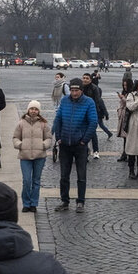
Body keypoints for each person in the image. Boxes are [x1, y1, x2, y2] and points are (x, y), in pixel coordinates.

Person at [51, 78, 97, 212]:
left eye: (76, 90)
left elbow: (93, 122)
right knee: (64, 176)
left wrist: (84, 140)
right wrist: (58, 137)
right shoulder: (65, 100)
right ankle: (64, 201)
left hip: (80, 145)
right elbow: (58, 118)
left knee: (81, 175)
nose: (74, 93)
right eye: (72, 90)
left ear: (81, 91)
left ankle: (80, 202)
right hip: (65, 144)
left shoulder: (89, 102)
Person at [12, 100, 52, 212]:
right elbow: (15, 137)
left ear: (39, 111)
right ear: (28, 110)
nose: (33, 111)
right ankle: (26, 203)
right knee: (26, 180)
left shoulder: (43, 124)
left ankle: (34, 203)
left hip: (39, 156)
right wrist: (20, 145)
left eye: (36, 109)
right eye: (31, 109)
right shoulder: (21, 123)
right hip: (25, 156)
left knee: (36, 180)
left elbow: (48, 138)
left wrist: (44, 145)